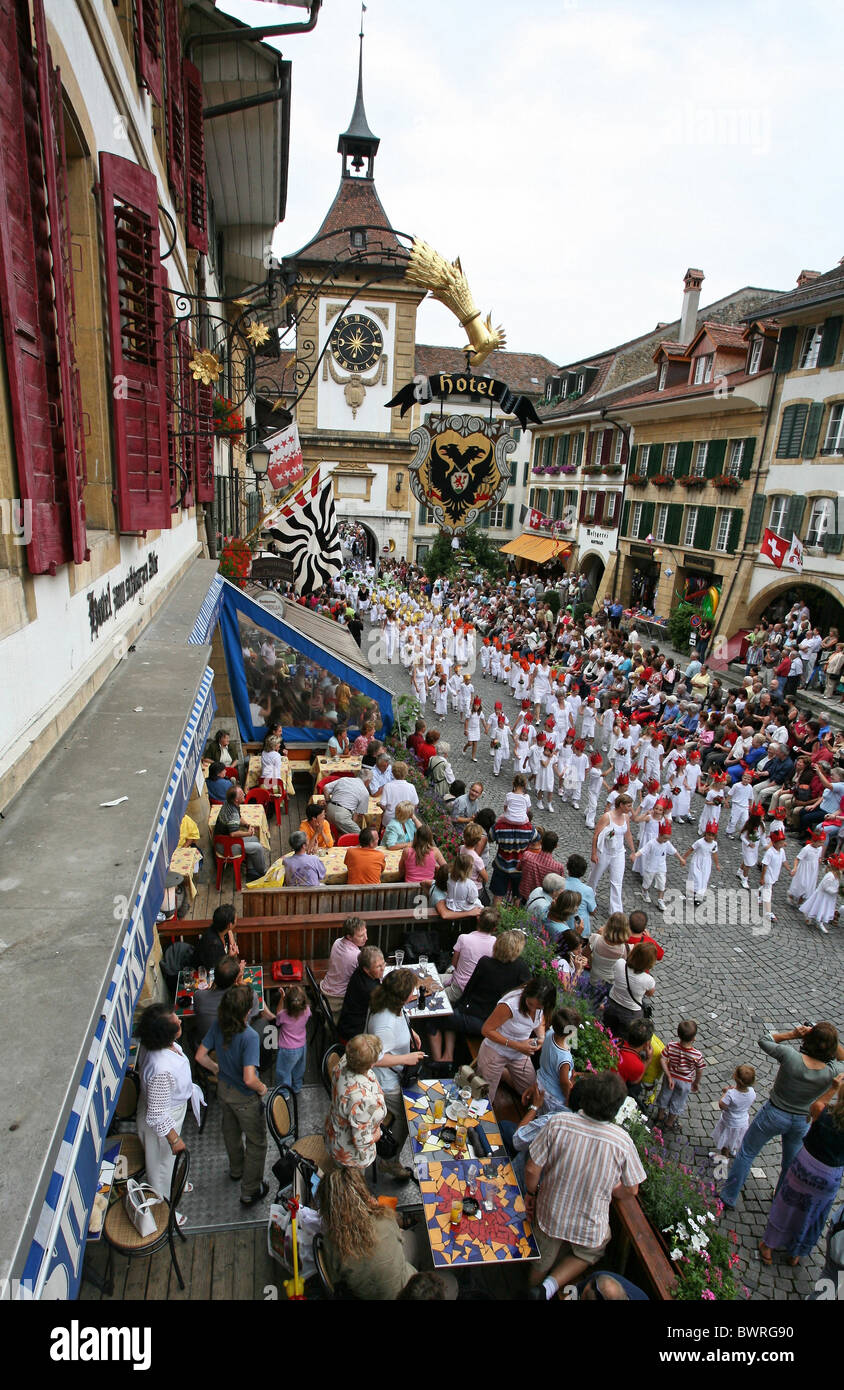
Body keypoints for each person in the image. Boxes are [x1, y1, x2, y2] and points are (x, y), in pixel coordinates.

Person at [524, 1070, 646, 1299]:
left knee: (542, 1256)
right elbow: (631, 1189)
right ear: (616, 1108)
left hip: (551, 1213)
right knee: (593, 1250)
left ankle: (531, 1289)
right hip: (589, 1224)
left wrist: (532, 1193)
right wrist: (610, 1188)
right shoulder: (622, 1141)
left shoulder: (559, 1123)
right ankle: (548, 1287)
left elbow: (532, 1168)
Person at [721, 1022, 844, 1209]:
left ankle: (729, 1196)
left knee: (747, 1152)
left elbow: (765, 1041)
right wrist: (829, 1043)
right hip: (801, 1121)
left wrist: (793, 1034)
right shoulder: (833, 1071)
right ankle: (779, 1199)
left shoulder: (791, 1057)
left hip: (774, 1112)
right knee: (788, 1164)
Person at [319, 1167, 447, 1300]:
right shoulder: (383, 1217)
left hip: (365, 1296)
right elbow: (400, 1240)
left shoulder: (330, 1242)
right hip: (406, 1288)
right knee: (414, 1239)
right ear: (363, 1193)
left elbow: (335, 1279)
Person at [759, 1075, 844, 1267]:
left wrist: (833, 1088)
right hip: (830, 1176)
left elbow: (816, 1106)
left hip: (806, 1164)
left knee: (786, 1204)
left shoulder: (824, 1113)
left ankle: (768, 1246)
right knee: (811, 1213)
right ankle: (796, 1252)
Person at [196, 985, 269, 1207]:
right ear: (247, 1012)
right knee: (257, 1143)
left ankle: (236, 1170)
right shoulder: (249, 1036)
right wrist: (261, 1088)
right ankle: (249, 1191)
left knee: (230, 1131)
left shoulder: (219, 1024)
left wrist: (217, 1069)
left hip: (224, 1090)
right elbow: (249, 1078)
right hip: (244, 1097)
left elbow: (200, 1056)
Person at [136, 1003, 202, 1217]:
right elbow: (156, 1114)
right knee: (160, 1169)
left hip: (173, 1111)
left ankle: (176, 1182)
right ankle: (164, 1211)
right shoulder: (160, 1070)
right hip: (162, 1123)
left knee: (169, 1161)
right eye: (176, 1022)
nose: (180, 1020)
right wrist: (174, 1139)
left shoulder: (160, 1045)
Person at [368, 970, 426, 1180]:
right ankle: (389, 1161)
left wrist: (412, 1033)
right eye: (412, 990)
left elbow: (401, 1020)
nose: (416, 992)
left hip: (394, 1074)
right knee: (406, 1117)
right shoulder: (385, 1024)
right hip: (387, 1081)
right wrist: (405, 1058)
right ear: (402, 996)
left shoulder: (390, 1004)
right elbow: (374, 1059)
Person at [476, 977, 556, 1105]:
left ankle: (501, 1073)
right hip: (496, 1050)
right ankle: (493, 1071)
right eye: (530, 1005)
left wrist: (541, 1037)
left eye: (538, 1008)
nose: (533, 1010)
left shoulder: (541, 1007)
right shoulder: (510, 1005)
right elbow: (486, 1030)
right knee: (484, 1099)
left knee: (529, 1093)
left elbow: (539, 1021)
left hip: (519, 1053)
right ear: (525, 995)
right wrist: (517, 1045)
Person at [324, 1033, 387, 1169]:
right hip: (350, 1156)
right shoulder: (363, 1099)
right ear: (371, 1064)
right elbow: (361, 1141)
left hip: (335, 1132)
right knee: (352, 1186)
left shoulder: (345, 1060)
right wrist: (377, 1134)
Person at [655, 1019, 705, 1132]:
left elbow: (662, 1059)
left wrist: (668, 1075)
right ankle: (670, 1123)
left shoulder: (671, 1046)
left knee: (664, 1095)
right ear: (694, 1038)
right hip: (685, 1081)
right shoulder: (697, 1055)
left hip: (670, 1078)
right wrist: (696, 1082)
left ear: (678, 1034)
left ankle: (660, 1116)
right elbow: (699, 1070)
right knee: (678, 1102)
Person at [602, 942, 658, 1039]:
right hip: (631, 1013)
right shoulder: (648, 980)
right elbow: (649, 993)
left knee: (607, 1031)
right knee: (624, 1039)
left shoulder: (620, 963)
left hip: (612, 1004)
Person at [443, 907, 498, 1005]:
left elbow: (454, 964)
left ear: (478, 920)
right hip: (478, 989)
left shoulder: (464, 938)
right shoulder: (495, 943)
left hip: (459, 988)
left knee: (431, 987)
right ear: (494, 928)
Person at [214, 785, 269, 881]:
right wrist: (248, 833)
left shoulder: (228, 803)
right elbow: (233, 834)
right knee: (258, 847)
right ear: (236, 800)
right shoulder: (233, 812)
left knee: (255, 839)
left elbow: (239, 818)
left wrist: (247, 825)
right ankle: (263, 872)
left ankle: (251, 871)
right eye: (241, 794)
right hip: (226, 847)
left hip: (224, 840)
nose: (244, 794)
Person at [320, 917, 368, 1022]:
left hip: (325, 987)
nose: (366, 938)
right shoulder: (356, 955)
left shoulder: (337, 942)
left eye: (365, 933)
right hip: (337, 998)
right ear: (349, 937)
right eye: (361, 936)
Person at [338, 945, 386, 1039]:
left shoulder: (359, 972)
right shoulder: (370, 989)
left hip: (346, 1021)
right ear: (366, 969)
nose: (383, 968)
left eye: (383, 963)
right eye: (378, 966)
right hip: (355, 1032)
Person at [711, 1064, 757, 1159]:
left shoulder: (731, 1094)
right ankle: (732, 1150)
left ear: (735, 1077)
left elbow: (721, 1105)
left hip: (730, 1122)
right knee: (735, 1137)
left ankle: (724, 1157)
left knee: (726, 1140)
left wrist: (725, 1093)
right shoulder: (752, 1092)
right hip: (743, 1122)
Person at [274, 984, 311, 1094]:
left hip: (287, 1049)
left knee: (284, 1071)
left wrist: (282, 997)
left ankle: (284, 1093)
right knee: (299, 1069)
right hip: (302, 1046)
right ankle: (297, 1087)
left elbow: (277, 1015)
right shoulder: (307, 1011)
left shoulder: (283, 1015)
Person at [195, 905, 237, 972]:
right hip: (205, 973)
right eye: (235, 919)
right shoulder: (213, 945)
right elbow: (218, 970)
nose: (236, 920)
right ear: (230, 925)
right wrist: (230, 957)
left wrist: (232, 942)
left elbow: (229, 931)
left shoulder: (220, 928)